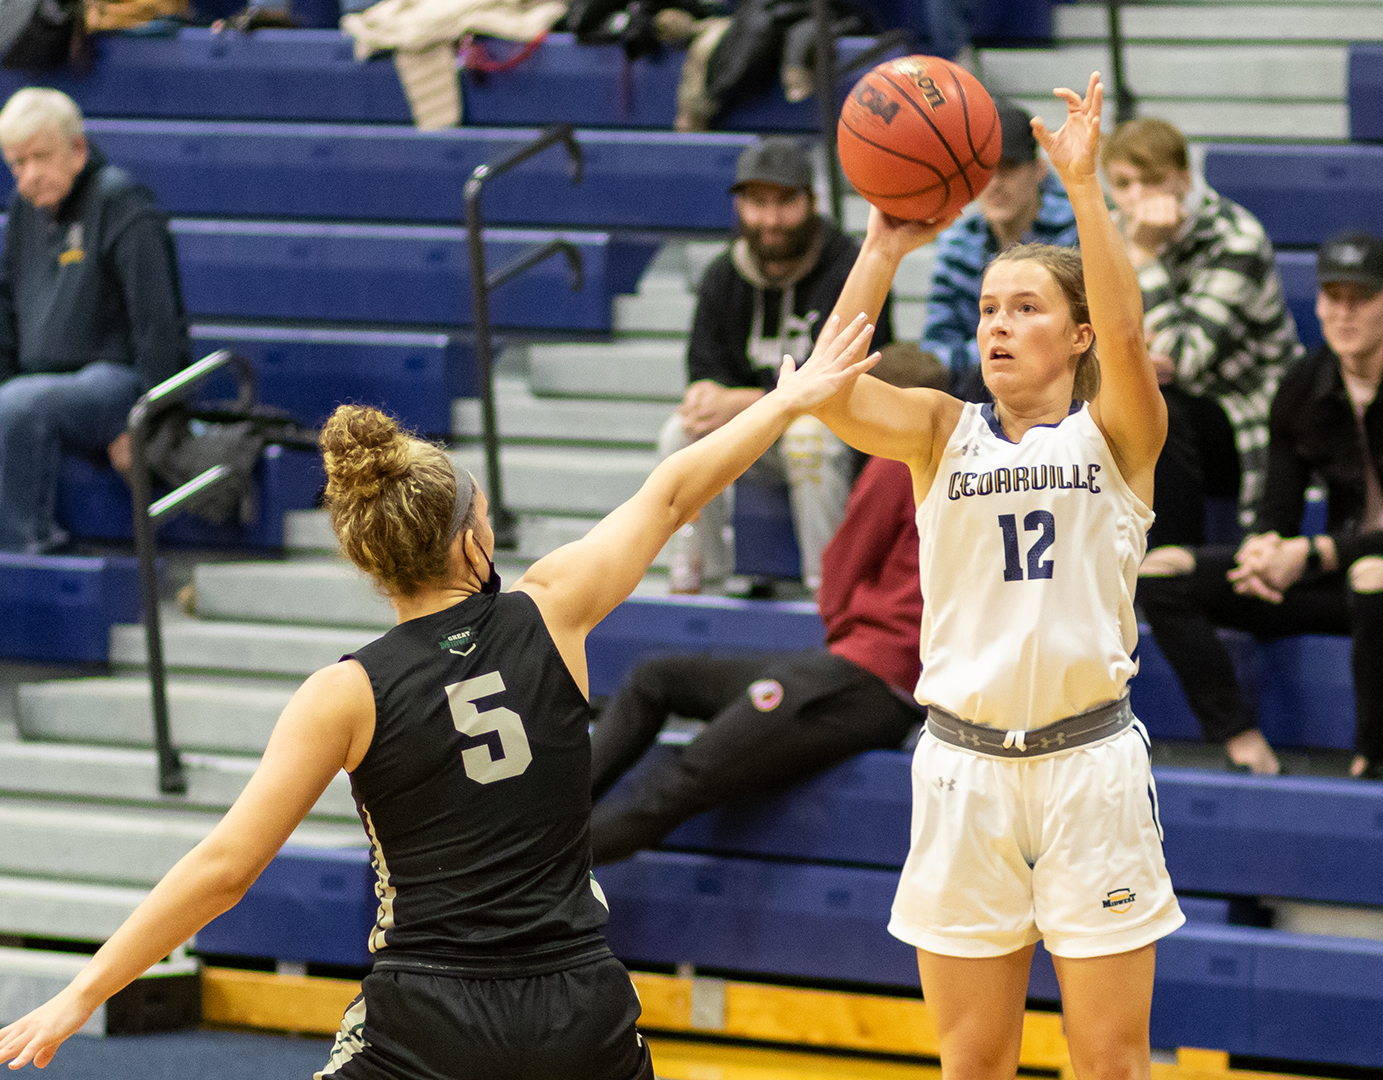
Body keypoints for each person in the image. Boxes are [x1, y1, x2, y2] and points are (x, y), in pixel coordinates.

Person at [0, 315, 882, 1075]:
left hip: (432, 1018)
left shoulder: (343, 693)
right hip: (582, 1005)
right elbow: (674, 491)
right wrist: (787, 402)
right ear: (474, 536)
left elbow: (225, 870)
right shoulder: (554, 607)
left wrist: (83, 991)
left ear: (364, 559)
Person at [811, 73, 1182, 1080]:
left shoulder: (1117, 438)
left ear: (1077, 335)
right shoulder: (940, 432)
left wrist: (1086, 186)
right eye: (987, 308)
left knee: (1109, 1063)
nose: (999, 325)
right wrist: (884, 246)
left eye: (1027, 308)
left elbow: (1133, 336)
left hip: (1087, 770)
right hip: (964, 769)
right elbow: (829, 396)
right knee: (972, 1066)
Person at [1136, 233, 1383, 779]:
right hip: (1330, 579)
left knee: (1374, 575)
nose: (1342, 313)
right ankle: (1242, 740)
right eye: (1331, 297)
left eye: (1360, 299)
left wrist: (1316, 553)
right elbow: (1278, 508)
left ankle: (1372, 758)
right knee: (1161, 572)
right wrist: (1264, 549)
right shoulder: (1304, 382)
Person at [588, 343, 945, 863]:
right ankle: (541, 831)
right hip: (870, 674)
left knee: (684, 778)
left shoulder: (900, 460)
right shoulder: (959, 460)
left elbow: (840, 573)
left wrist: (852, 629)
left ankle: (524, 878)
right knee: (657, 680)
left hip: (871, 679)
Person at [661, 135, 894, 592]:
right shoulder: (724, 274)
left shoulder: (848, 266)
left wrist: (744, 401)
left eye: (784, 202)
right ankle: (698, 582)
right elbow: (705, 370)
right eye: (756, 203)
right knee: (679, 434)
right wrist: (705, 397)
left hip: (845, 432)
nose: (770, 219)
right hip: (760, 433)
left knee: (807, 437)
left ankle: (828, 592)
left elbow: (850, 376)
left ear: (812, 202)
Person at [0, 87, 190, 553]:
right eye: (16, 164)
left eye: (40, 158)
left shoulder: (122, 202)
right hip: (43, 380)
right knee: (16, 396)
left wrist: (152, 420)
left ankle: (27, 554)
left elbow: (159, 322)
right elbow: (4, 312)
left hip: (116, 382)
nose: (27, 177)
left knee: (18, 403)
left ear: (77, 149)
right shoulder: (26, 210)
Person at [1103, 116, 1299, 545]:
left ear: (1183, 179)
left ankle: (1169, 570)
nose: (1136, 198)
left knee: (1157, 407)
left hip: (1249, 408)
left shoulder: (1235, 238)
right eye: (1122, 184)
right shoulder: (1111, 232)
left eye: (1150, 180)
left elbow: (1183, 358)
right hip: (1168, 393)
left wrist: (1144, 255)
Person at [921, 102, 1078, 401]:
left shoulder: (1075, 229)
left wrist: (987, 352)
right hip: (979, 390)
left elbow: (1074, 341)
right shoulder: (958, 241)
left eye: (1007, 169)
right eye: (983, 171)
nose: (993, 184)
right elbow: (935, 351)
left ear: (1039, 170)